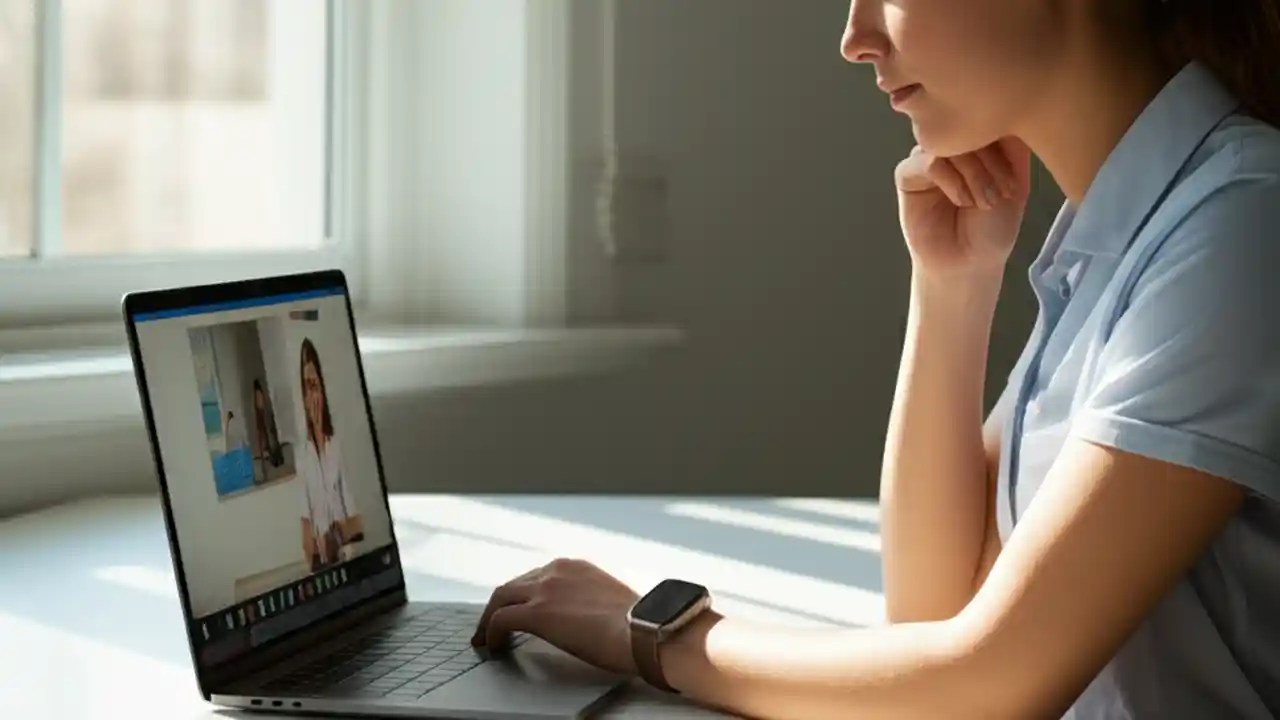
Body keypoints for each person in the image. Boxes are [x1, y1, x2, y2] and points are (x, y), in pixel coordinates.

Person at [473, 1, 1280, 717]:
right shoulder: (1126, 238)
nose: (854, 38)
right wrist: (950, 288)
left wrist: (649, 630)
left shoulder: (1239, 224)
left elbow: (989, 685)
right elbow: (930, 616)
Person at [298, 338, 361, 571]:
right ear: (303, 398)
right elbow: (305, 520)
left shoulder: (336, 445)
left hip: (345, 553)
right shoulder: (302, 454)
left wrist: (346, 544)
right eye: (307, 387)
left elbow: (350, 503)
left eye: (315, 385)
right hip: (320, 561)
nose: (312, 396)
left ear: (323, 391)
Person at [253, 379, 284, 470]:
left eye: (260, 396)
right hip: (267, 442)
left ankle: (277, 458)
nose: (259, 400)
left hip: (272, 438)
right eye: (257, 398)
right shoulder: (259, 417)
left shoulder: (267, 412)